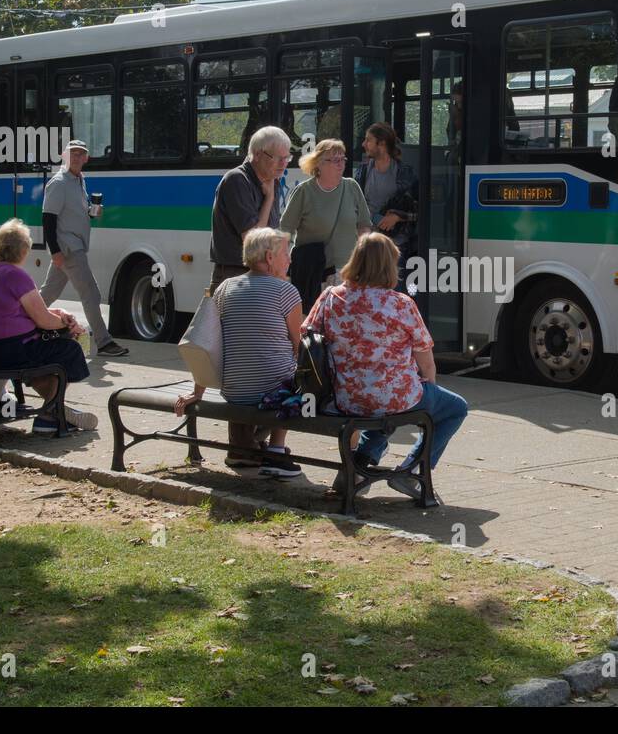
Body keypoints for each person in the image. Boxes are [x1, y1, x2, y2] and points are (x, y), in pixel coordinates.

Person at [304, 232, 469, 499]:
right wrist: (430, 390)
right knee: (454, 408)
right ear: (389, 266)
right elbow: (425, 360)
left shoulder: (330, 297)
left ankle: (359, 467)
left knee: (377, 408)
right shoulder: (401, 304)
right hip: (394, 397)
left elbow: (308, 337)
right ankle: (412, 473)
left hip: (345, 397)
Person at [175, 227, 305, 477]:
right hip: (271, 392)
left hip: (234, 390)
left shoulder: (225, 288)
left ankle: (241, 450)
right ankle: (277, 452)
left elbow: (208, 343)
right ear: (269, 258)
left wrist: (197, 391)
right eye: (286, 253)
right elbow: (299, 346)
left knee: (245, 365)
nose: (290, 259)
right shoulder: (286, 292)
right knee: (297, 376)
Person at [0, 219, 97, 433]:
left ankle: (51, 405)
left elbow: (17, 310)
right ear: (24, 250)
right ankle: (49, 415)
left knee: (45, 352)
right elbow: (42, 319)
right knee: (69, 350)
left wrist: (58, 313)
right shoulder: (16, 275)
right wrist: (68, 324)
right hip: (6, 353)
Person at [39, 139, 128, 357]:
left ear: (86, 158)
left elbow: (70, 213)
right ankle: (104, 342)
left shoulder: (78, 180)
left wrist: (91, 211)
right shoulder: (59, 183)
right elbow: (48, 219)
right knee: (91, 293)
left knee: (48, 293)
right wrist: (56, 251)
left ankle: (18, 324)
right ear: (64, 156)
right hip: (69, 248)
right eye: (73, 153)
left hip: (71, 247)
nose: (77, 157)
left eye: (81, 154)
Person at [280, 139, 372, 311]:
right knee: (314, 323)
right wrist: (282, 263)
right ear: (319, 164)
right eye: (335, 160)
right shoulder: (304, 191)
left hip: (348, 272)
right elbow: (285, 230)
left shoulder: (352, 187)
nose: (341, 164)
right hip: (314, 271)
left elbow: (364, 225)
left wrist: (364, 255)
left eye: (342, 159)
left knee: (345, 325)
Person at [209, 125, 290, 292]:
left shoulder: (271, 180)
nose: (284, 164)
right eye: (277, 158)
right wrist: (269, 199)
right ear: (258, 155)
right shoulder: (237, 180)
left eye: (287, 158)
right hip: (236, 276)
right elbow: (253, 243)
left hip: (262, 275)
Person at [354, 123, 418, 285]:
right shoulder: (362, 172)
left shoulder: (404, 172)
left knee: (394, 290)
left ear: (381, 144)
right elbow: (353, 204)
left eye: (368, 140)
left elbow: (419, 210)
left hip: (396, 244)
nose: (363, 144)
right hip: (368, 243)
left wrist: (398, 217)